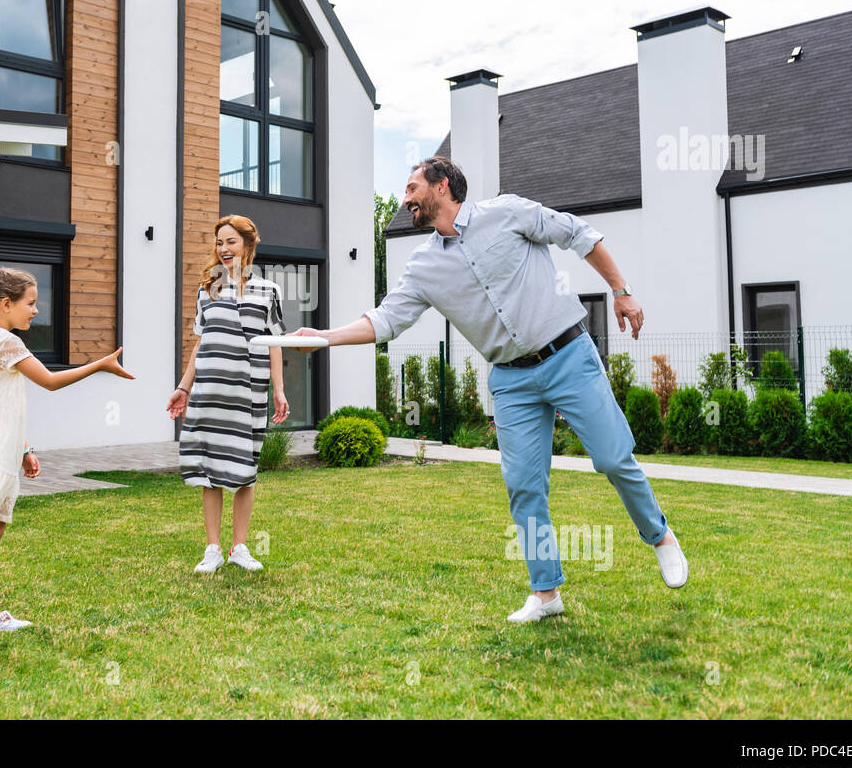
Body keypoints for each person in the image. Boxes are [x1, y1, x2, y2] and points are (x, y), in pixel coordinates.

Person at [294, 156, 688, 623]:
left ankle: (660, 536)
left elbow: (578, 234)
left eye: (411, 187)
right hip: (511, 380)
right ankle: (546, 594)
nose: (405, 199)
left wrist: (621, 290)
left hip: (567, 355)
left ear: (442, 187)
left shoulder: (507, 212)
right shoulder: (422, 267)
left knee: (612, 457)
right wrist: (324, 337)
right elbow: (385, 320)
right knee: (523, 486)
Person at [0, 267, 136, 634]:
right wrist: (99, 366)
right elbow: (50, 381)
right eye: (30, 303)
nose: (36, 310)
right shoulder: (5, 342)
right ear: (6, 304)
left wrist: (23, 448)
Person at [167, 215, 289, 574]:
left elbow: (276, 343)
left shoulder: (268, 291)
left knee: (245, 470)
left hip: (248, 393)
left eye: (231, 242)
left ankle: (239, 547)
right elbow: (200, 343)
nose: (223, 249)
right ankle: (213, 548)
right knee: (210, 469)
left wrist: (279, 390)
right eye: (219, 242)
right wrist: (183, 387)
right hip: (210, 392)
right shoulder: (207, 289)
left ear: (248, 245)